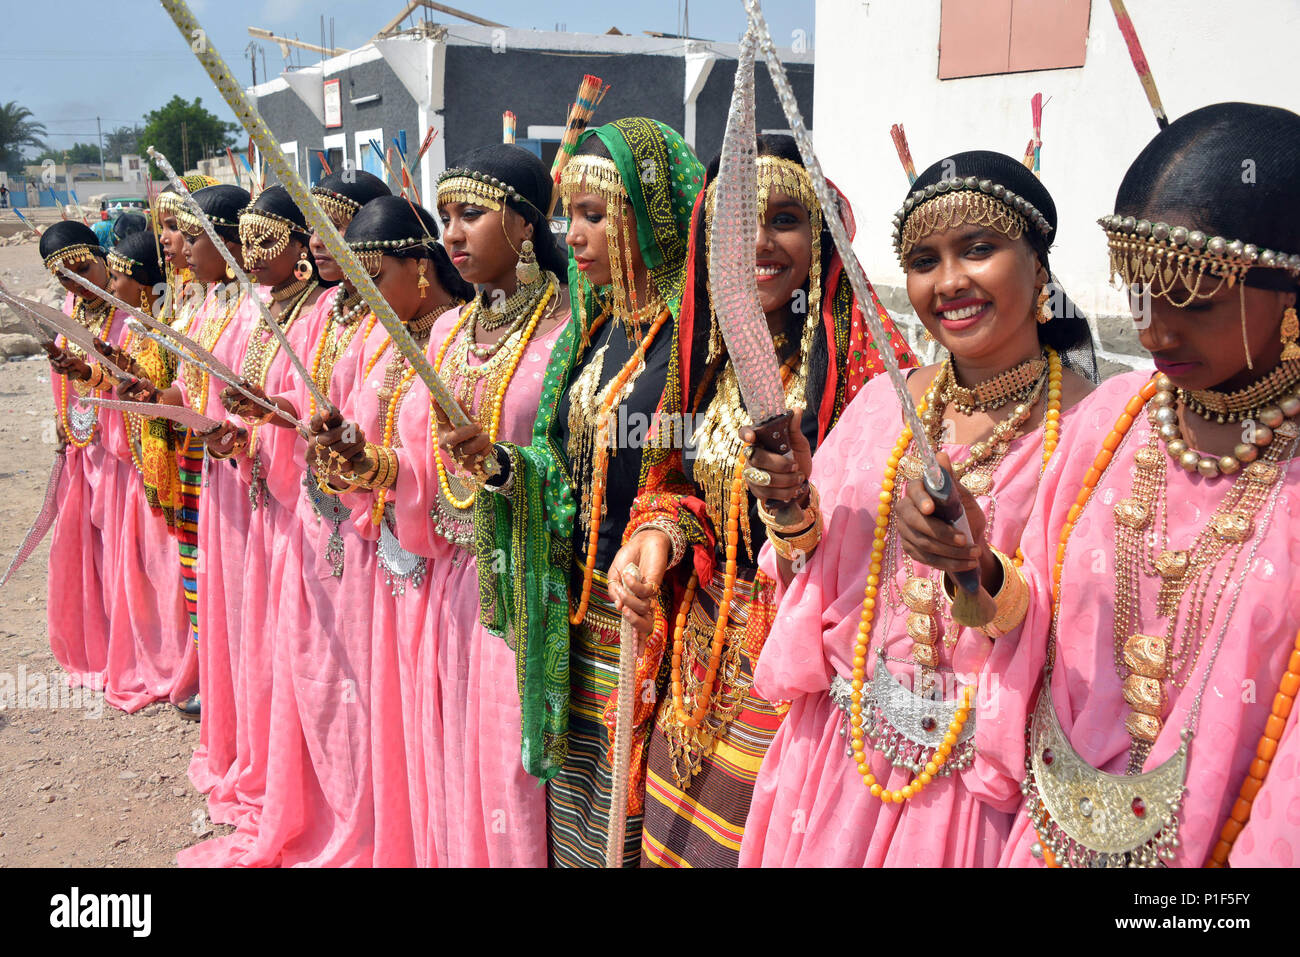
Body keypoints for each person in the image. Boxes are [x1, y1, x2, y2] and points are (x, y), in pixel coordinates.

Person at [897, 103, 1300, 868]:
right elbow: (1028, 625)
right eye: (1141, 293)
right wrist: (974, 566)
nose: (1153, 333)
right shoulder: (1115, 418)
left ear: (1290, 295)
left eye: (1192, 300)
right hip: (1044, 838)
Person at [738, 151, 1097, 867]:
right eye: (924, 260)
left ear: (1040, 267)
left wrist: (979, 571)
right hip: (839, 762)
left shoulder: (1094, 428)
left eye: (980, 249)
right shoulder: (884, 405)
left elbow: (1093, 635)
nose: (950, 281)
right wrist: (787, 504)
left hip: (976, 791)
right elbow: (806, 566)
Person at [605, 135, 916, 866]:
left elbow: (888, 539)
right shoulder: (707, 360)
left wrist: (797, 514)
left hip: (806, 666)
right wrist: (654, 542)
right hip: (698, 646)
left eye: (784, 218)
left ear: (822, 235)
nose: (758, 242)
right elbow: (678, 486)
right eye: (738, 221)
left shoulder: (872, 367)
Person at [439, 118, 705, 866]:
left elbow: (699, 476)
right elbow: (559, 469)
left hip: (659, 618)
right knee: (578, 818)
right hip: (580, 612)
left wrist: (658, 543)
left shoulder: (694, 340)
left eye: (596, 216)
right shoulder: (594, 332)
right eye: (571, 218)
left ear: (650, 216)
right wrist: (501, 466)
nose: (575, 236)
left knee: (642, 823)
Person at [309, 195, 474, 865]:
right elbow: (372, 434)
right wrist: (343, 444)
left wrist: (375, 464)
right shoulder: (388, 335)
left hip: (439, 562)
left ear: (421, 268)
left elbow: (454, 461)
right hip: (386, 552)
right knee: (398, 712)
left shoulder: (458, 337)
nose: (365, 294)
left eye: (374, 277)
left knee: (437, 720)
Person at [38, 221, 117, 704]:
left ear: (101, 255)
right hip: (83, 448)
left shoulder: (135, 309)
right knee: (94, 552)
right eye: (64, 278)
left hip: (124, 455)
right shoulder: (71, 310)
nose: (77, 284)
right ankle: (104, 643)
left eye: (83, 269)